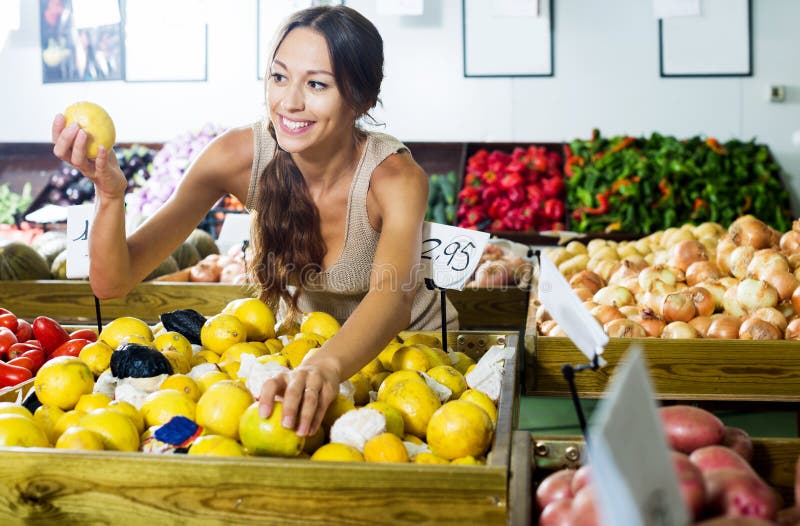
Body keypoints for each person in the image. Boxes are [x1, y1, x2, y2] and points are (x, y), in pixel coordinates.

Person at [51, 5, 458, 440]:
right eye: (279, 77)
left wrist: (324, 366)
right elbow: (112, 281)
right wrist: (110, 195)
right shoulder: (236, 157)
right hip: (308, 356)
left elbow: (391, 299)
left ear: (363, 99)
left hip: (415, 365)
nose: (290, 101)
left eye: (317, 84)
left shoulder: (394, 177)